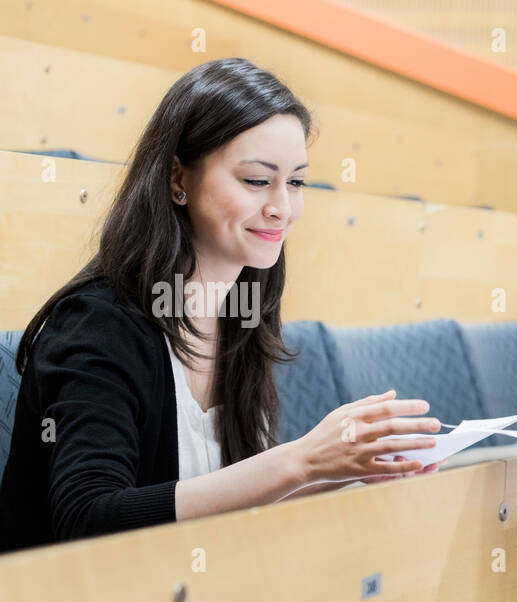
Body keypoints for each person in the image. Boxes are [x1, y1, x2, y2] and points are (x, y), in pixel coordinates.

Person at [0, 58, 442, 554]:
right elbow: (89, 519)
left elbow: (224, 492)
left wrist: (340, 471)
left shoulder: (242, 310)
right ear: (177, 179)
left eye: (296, 182)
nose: (282, 207)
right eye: (257, 181)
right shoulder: (97, 324)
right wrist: (300, 462)